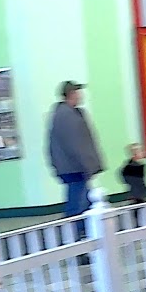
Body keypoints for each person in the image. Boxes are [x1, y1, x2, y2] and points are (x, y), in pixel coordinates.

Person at [47, 80, 103, 218]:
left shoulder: (68, 113)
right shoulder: (67, 115)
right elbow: (75, 144)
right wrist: (87, 165)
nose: (81, 95)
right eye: (78, 92)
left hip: (73, 167)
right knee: (77, 205)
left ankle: (84, 227)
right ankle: (74, 229)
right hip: (74, 168)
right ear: (71, 94)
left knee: (84, 201)